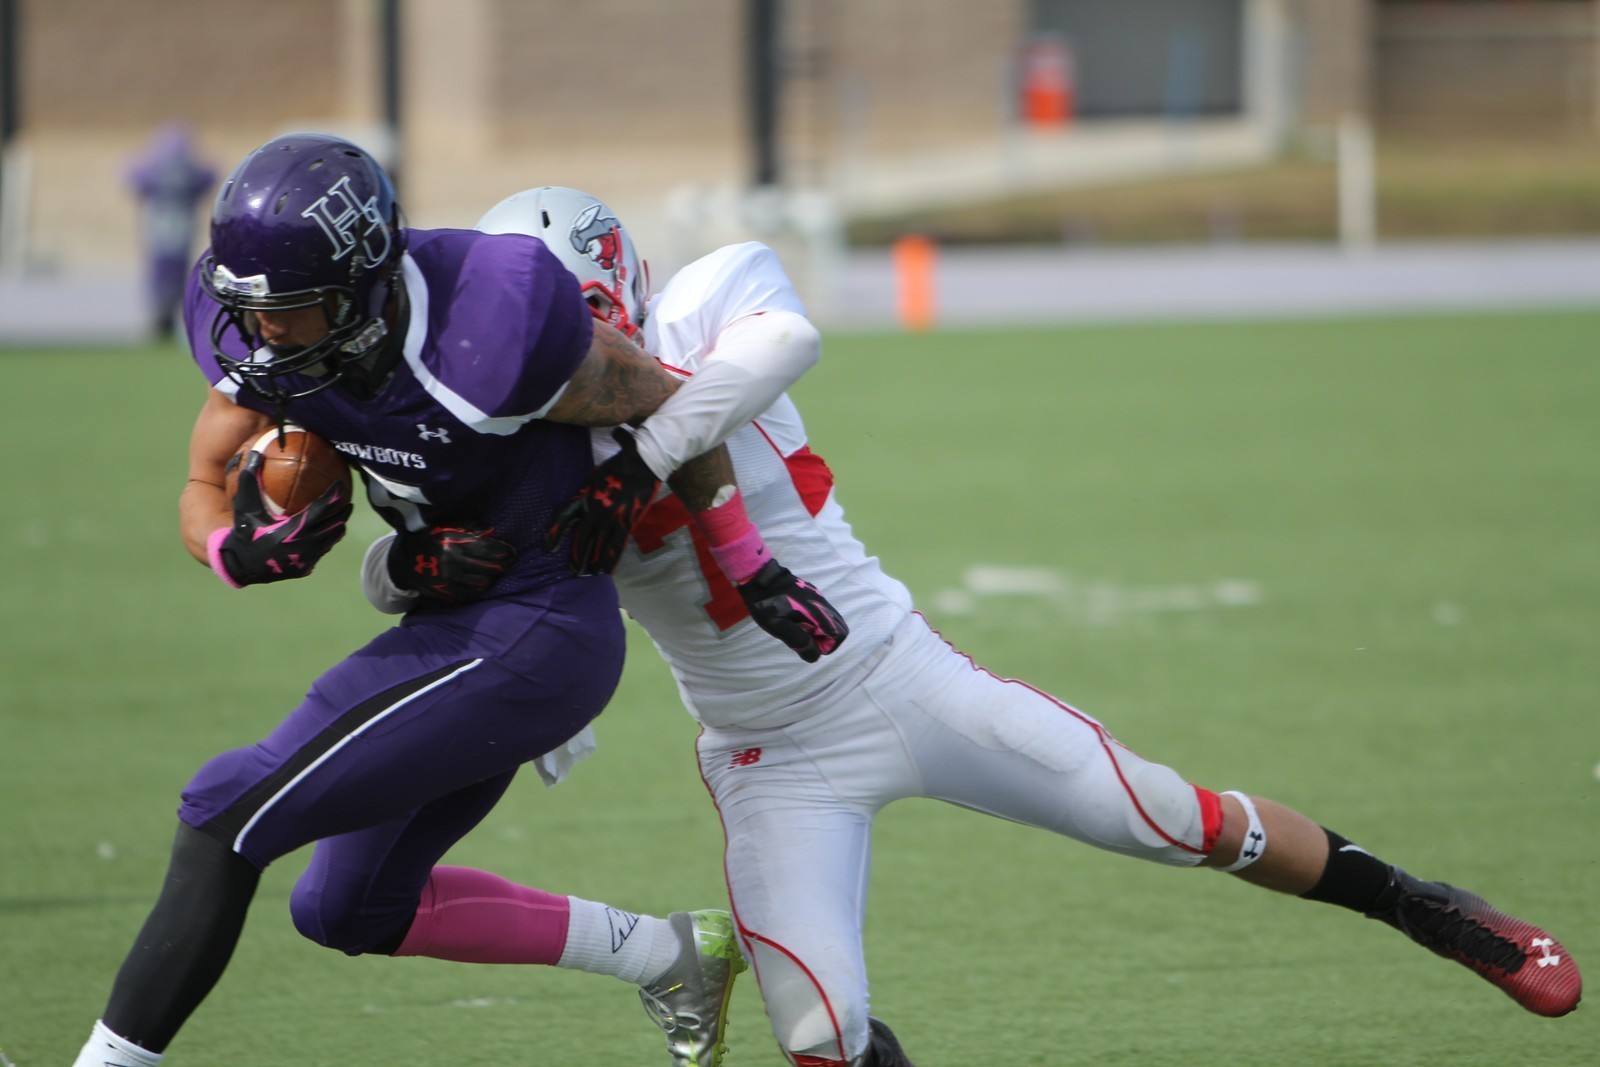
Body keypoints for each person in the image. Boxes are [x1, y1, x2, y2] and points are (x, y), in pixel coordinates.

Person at [368, 186, 1583, 1067]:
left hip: (897, 677)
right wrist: (405, 569)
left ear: (616, 288)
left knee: (1173, 818)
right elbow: (439, 571)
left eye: (574, 324)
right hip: (762, 750)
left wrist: (634, 458)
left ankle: (1424, 905)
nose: (569, 362)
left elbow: (783, 343)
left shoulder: (704, 303)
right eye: (539, 342)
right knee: (821, 1032)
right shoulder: (509, 433)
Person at [70, 135, 847, 1067]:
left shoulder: (487, 330)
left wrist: (750, 564)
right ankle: (668, 955)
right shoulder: (270, 336)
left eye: (288, 308)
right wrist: (234, 550)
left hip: (538, 633)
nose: (262, 332)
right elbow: (202, 483)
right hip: (448, 627)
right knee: (345, 906)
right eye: (249, 309)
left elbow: (670, 404)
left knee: (224, 809)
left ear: (360, 289)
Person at [124, 123, 215, 339]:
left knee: (162, 275)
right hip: (175, 231)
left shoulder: (158, 170)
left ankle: (163, 318)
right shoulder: (188, 170)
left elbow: (134, 178)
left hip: (163, 231)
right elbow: (210, 177)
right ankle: (167, 317)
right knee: (173, 274)